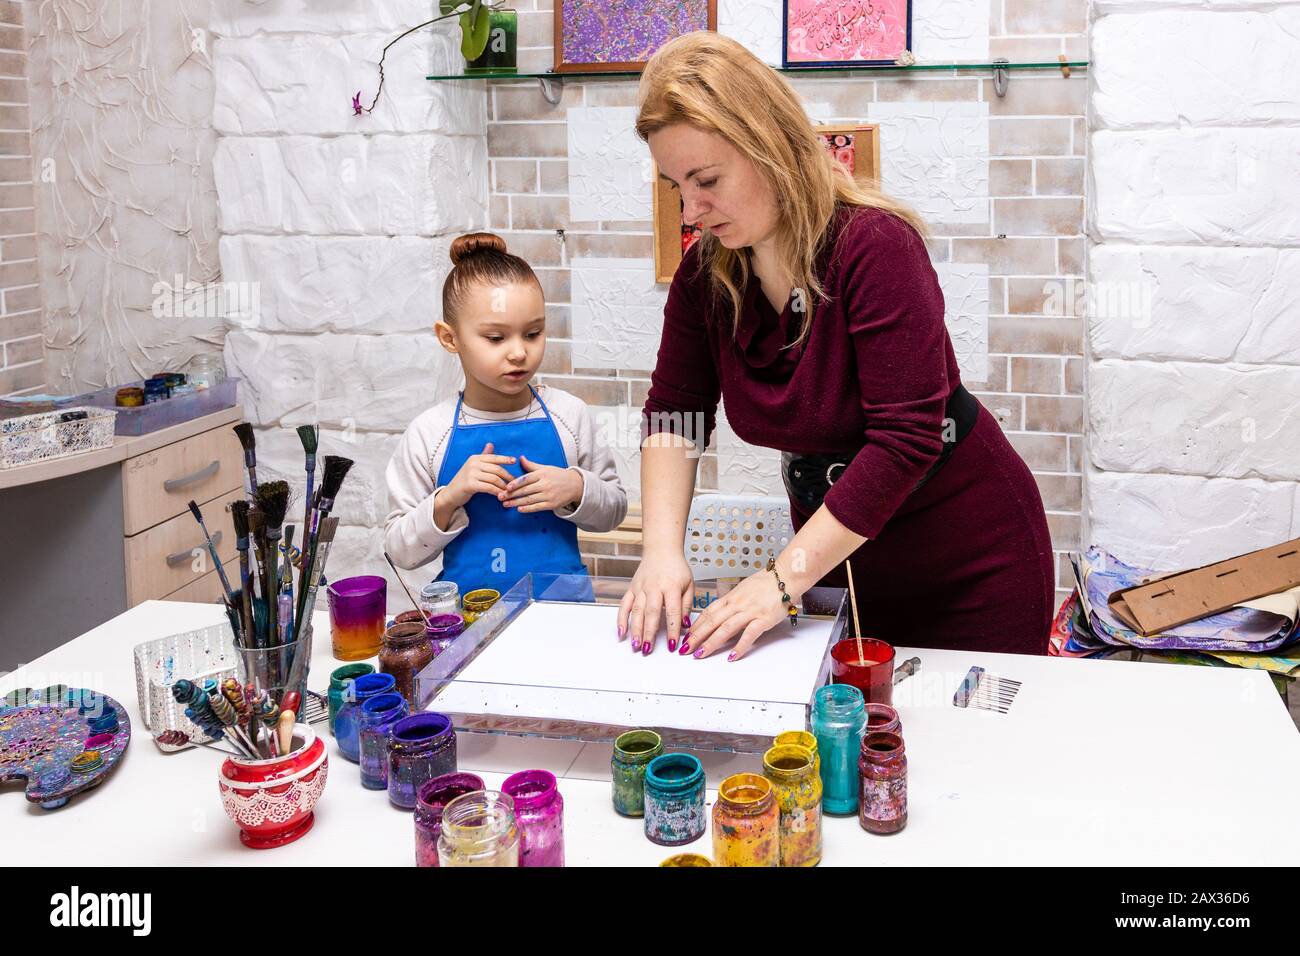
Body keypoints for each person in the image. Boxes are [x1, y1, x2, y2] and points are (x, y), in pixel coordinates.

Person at [617, 32, 1055, 661]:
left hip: (967, 561)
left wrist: (778, 580)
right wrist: (660, 553)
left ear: (770, 147)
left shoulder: (875, 247)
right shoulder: (704, 279)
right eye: (674, 185)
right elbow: (675, 412)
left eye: (706, 178)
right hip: (834, 563)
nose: (690, 208)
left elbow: (905, 440)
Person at [385, 232, 628, 601]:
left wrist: (576, 488)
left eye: (533, 333)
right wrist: (449, 498)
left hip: (566, 617)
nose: (519, 352)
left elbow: (613, 510)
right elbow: (400, 552)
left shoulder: (569, 415)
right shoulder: (429, 433)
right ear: (450, 338)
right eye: (496, 338)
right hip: (468, 622)